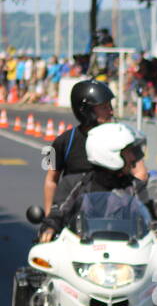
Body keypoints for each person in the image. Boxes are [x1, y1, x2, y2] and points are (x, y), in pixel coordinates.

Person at [37, 123, 157, 241]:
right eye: (128, 151)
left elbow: (145, 219)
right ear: (110, 154)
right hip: (81, 251)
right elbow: (58, 211)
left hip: (126, 252)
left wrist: (155, 234)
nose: (133, 157)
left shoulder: (135, 186)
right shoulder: (74, 183)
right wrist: (50, 227)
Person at [44, 80, 146, 213]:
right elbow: (51, 180)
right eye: (104, 107)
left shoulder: (123, 136)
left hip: (117, 215)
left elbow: (141, 172)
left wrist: (129, 204)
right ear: (85, 110)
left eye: (110, 106)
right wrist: (49, 218)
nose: (111, 111)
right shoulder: (62, 141)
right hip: (75, 217)